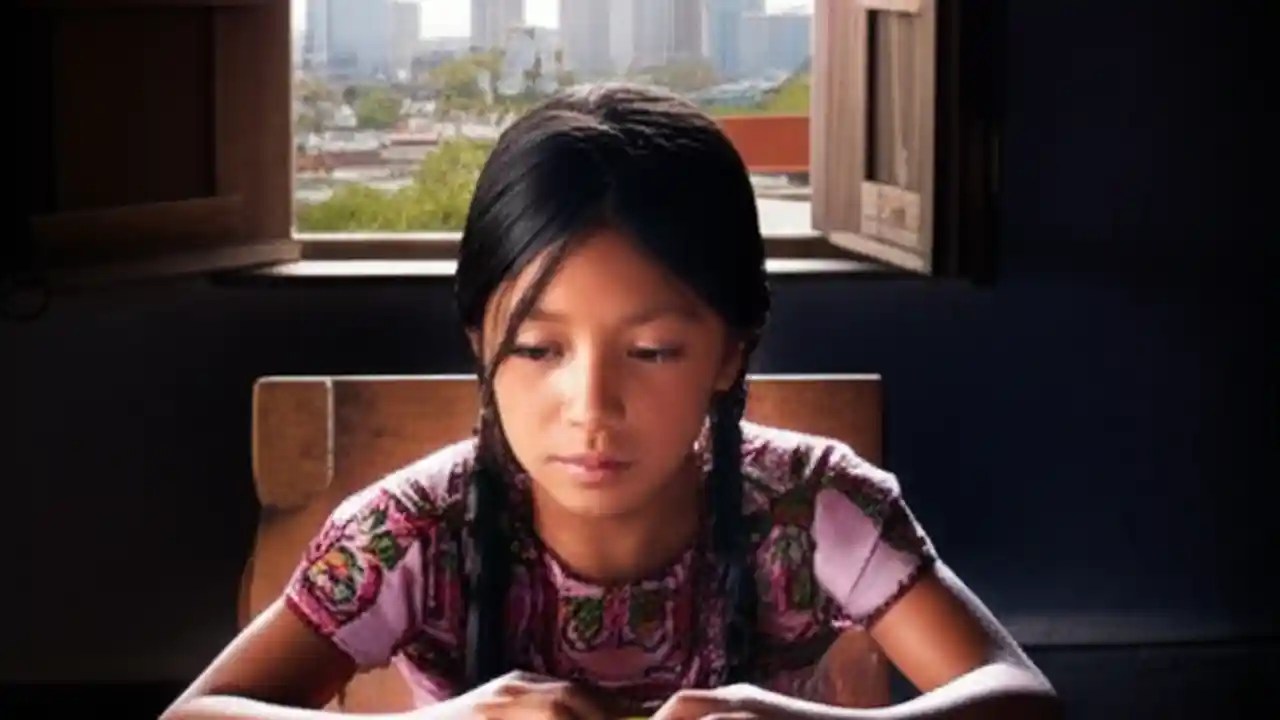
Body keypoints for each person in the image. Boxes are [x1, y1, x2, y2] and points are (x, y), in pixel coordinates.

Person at [161, 83, 1060, 720]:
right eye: (540, 349)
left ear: (730, 350)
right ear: (481, 345)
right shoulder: (411, 534)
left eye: (653, 351)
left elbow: (1018, 698)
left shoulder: (813, 505)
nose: (590, 406)